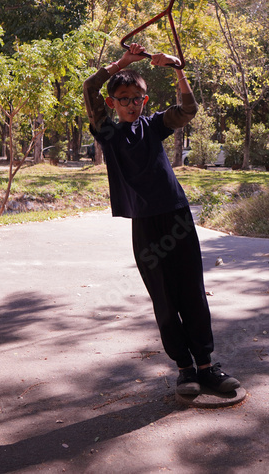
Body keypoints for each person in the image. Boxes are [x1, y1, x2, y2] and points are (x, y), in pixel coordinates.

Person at [83, 43, 240, 396]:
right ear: (112, 103)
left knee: (192, 293)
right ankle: (185, 370)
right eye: (123, 98)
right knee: (164, 298)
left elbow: (189, 107)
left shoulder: (154, 126)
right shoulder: (107, 132)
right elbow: (90, 88)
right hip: (145, 223)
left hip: (177, 217)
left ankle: (206, 366)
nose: (130, 104)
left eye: (137, 98)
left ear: (145, 100)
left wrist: (177, 68)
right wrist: (121, 63)